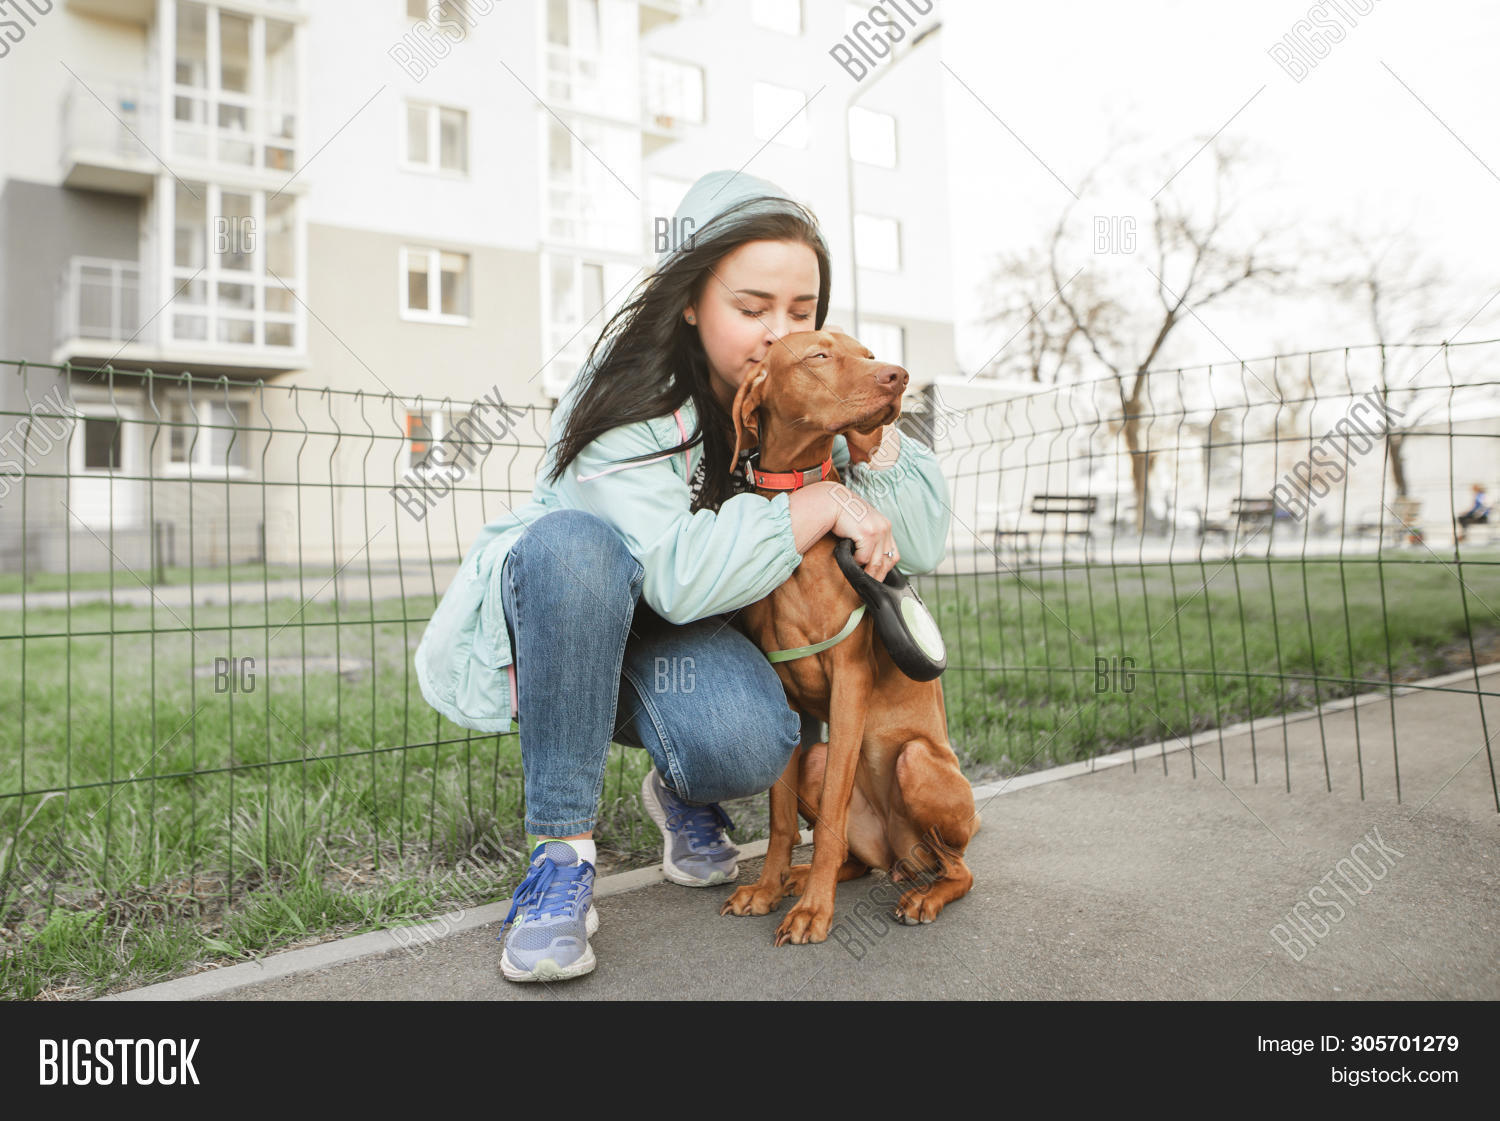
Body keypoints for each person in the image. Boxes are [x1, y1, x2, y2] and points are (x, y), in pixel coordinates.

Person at [415, 170, 951, 982]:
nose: (778, 334)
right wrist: (814, 507)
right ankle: (559, 857)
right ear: (692, 299)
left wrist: (871, 435)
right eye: (751, 308)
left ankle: (681, 788)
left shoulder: (802, 393)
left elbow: (922, 539)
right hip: (576, 617)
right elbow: (672, 577)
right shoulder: (630, 399)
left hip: (678, 635)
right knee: (575, 547)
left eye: (800, 313)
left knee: (751, 737)